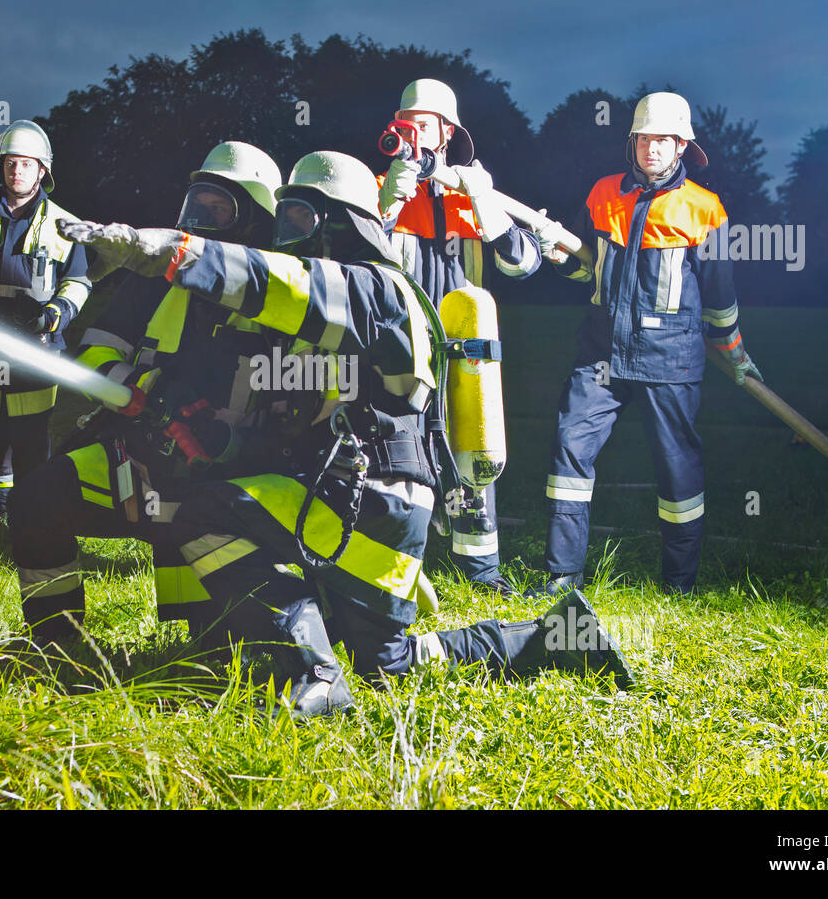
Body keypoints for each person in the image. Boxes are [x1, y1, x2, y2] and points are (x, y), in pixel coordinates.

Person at [58, 151, 632, 718]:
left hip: (367, 499)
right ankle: (558, 636)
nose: (287, 237)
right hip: (369, 506)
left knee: (205, 515)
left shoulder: (375, 292)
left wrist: (162, 250)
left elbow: (268, 281)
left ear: (342, 224)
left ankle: (315, 673)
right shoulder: (323, 315)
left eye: (301, 220)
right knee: (388, 663)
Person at [6, 141, 285, 644]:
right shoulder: (155, 278)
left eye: (218, 209)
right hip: (140, 457)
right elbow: (91, 356)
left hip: (231, 479)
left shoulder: (281, 296)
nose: (199, 219)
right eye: (196, 203)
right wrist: (144, 389)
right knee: (35, 499)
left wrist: (230, 430)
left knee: (216, 646)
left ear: (254, 221)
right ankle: (57, 648)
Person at [537, 92, 761, 597]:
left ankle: (678, 586)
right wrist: (557, 253)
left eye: (663, 139)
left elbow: (720, 301)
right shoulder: (601, 194)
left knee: (677, 471)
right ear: (632, 142)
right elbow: (583, 267)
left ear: (682, 145)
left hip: (672, 360)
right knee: (570, 452)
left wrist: (736, 354)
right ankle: (560, 579)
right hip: (599, 357)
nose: (651, 147)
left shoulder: (706, 210)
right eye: (644, 137)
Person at [378, 78, 552, 595]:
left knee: (473, 451)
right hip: (402, 341)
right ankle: (398, 563)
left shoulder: (474, 192)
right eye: (407, 120)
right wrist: (386, 205)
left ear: (448, 131)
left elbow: (522, 265)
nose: (414, 131)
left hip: (467, 346)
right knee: (400, 449)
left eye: (425, 123)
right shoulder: (380, 184)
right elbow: (347, 260)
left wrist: (488, 209)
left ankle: (481, 572)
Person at [0, 120, 91, 519]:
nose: (17, 172)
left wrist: (56, 314)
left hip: (35, 349)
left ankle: (33, 517)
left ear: (42, 170)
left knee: (30, 437)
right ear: (1, 166)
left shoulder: (65, 224)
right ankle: (4, 509)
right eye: (11, 163)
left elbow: (78, 282)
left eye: (26, 165)